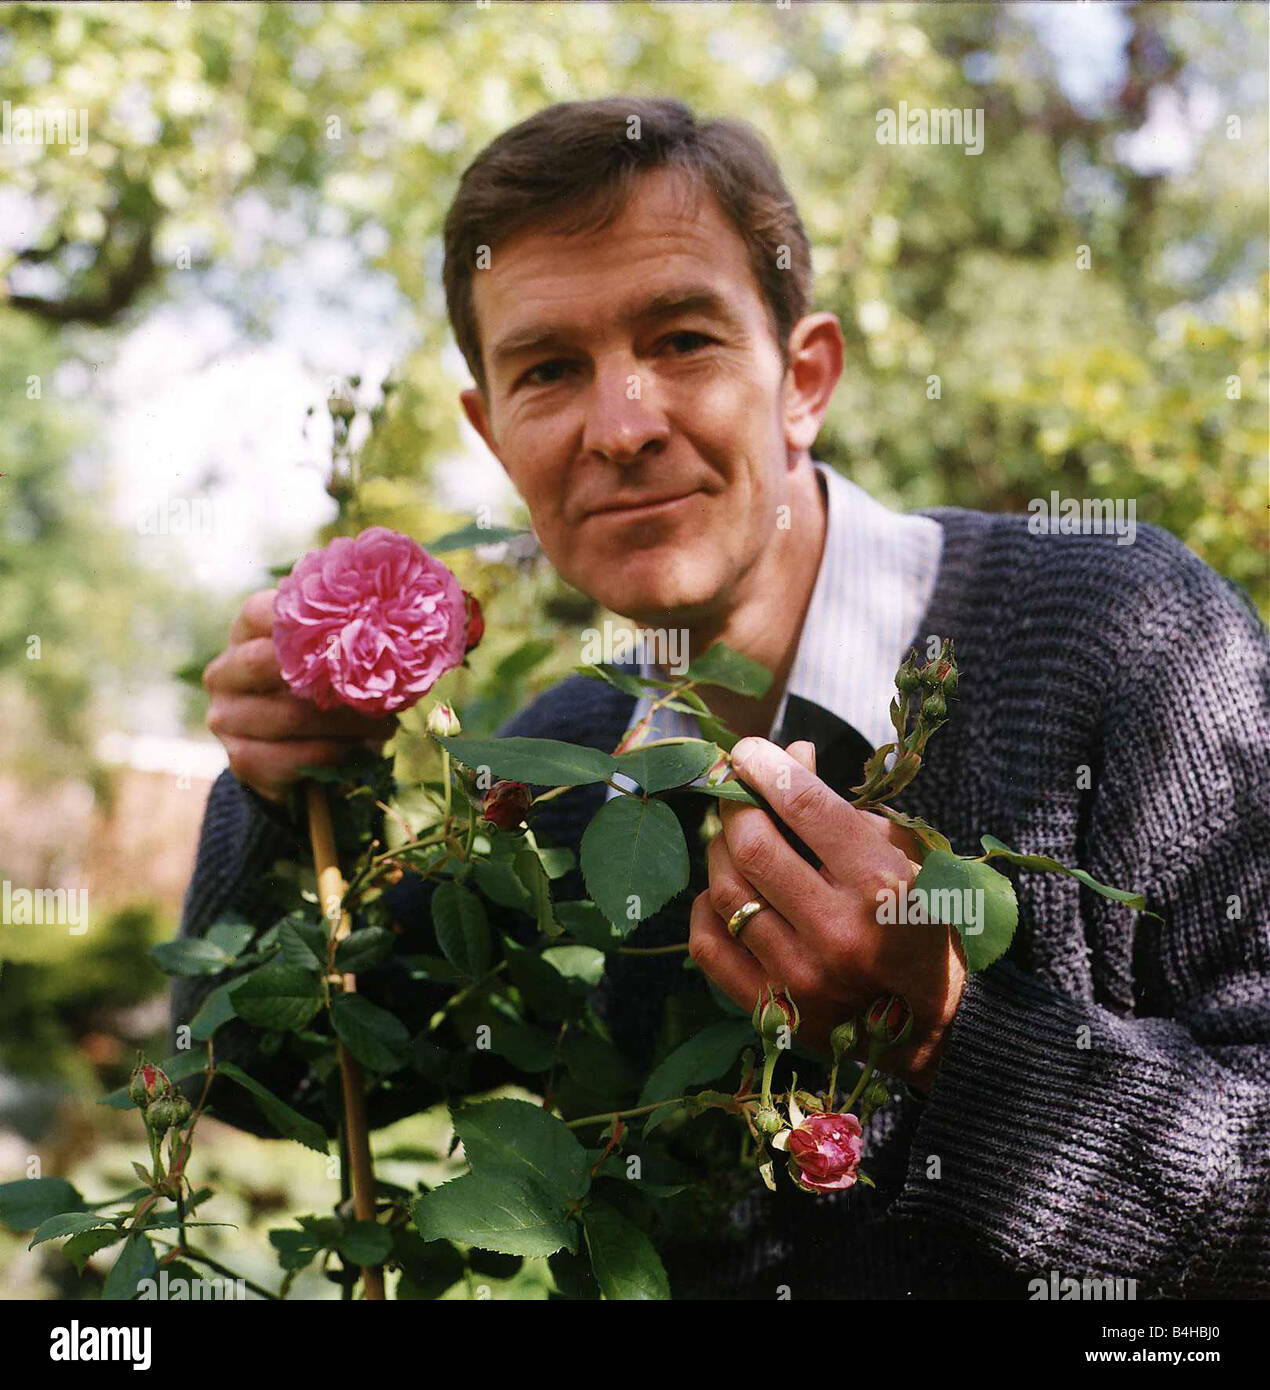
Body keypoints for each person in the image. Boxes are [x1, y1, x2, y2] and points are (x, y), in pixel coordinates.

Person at [176, 97, 1270, 1298]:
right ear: (494, 434)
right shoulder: (562, 765)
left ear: (803, 379)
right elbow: (253, 1079)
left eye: (683, 339)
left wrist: (946, 1032)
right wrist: (284, 797)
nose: (621, 426)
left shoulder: (1122, 630)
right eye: (548, 369)